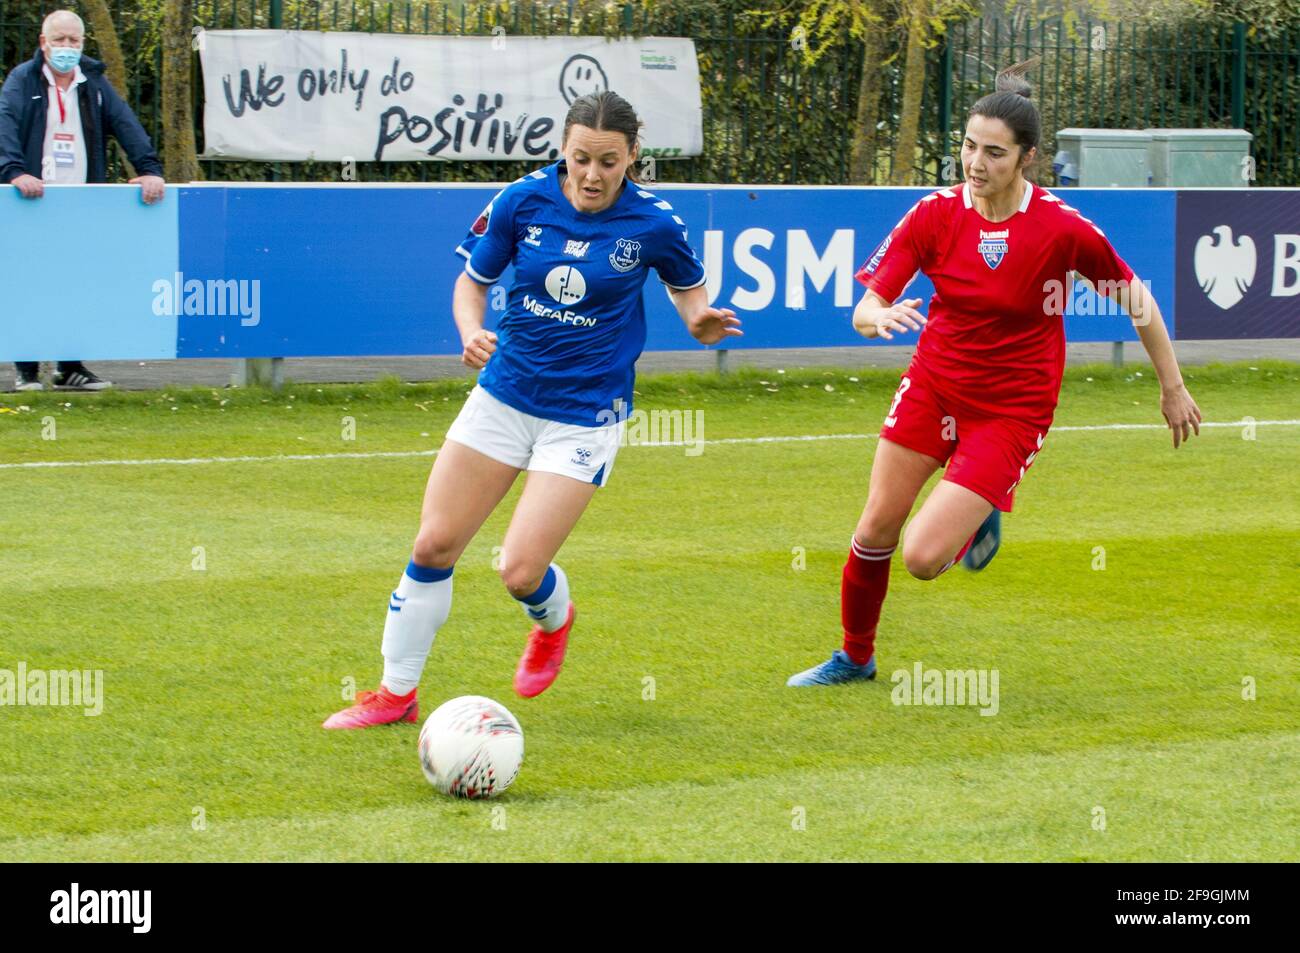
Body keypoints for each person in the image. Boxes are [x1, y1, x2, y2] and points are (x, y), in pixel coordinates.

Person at [325, 90, 741, 728]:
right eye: (580, 159)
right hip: (504, 396)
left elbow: (692, 301)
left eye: (609, 161)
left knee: (519, 571)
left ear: (634, 154)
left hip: (584, 415)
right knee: (434, 543)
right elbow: (473, 280)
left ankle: (553, 620)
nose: (592, 176)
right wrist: (470, 330)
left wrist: (703, 325)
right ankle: (395, 696)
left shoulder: (655, 223)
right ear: (563, 151)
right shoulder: (523, 199)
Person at [787, 61, 1202, 686]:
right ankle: (855, 657)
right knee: (875, 527)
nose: (975, 164)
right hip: (934, 386)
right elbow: (864, 307)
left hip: (1012, 410)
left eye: (994, 154)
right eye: (968, 147)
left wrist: (1172, 387)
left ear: (1026, 159)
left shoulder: (1062, 230)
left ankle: (978, 507)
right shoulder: (934, 214)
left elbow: (1138, 301)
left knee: (925, 559)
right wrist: (876, 316)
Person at [0, 9, 166, 392]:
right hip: (32, 201)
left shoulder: (94, 83)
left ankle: (69, 368)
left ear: (82, 43)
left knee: (76, 282)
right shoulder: (21, 81)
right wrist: (14, 172)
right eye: (59, 40)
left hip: (81, 202)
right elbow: (5, 125)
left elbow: (127, 124)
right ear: (43, 43)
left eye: (74, 41)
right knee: (32, 282)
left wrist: (149, 169)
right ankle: (27, 370)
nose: (66, 47)